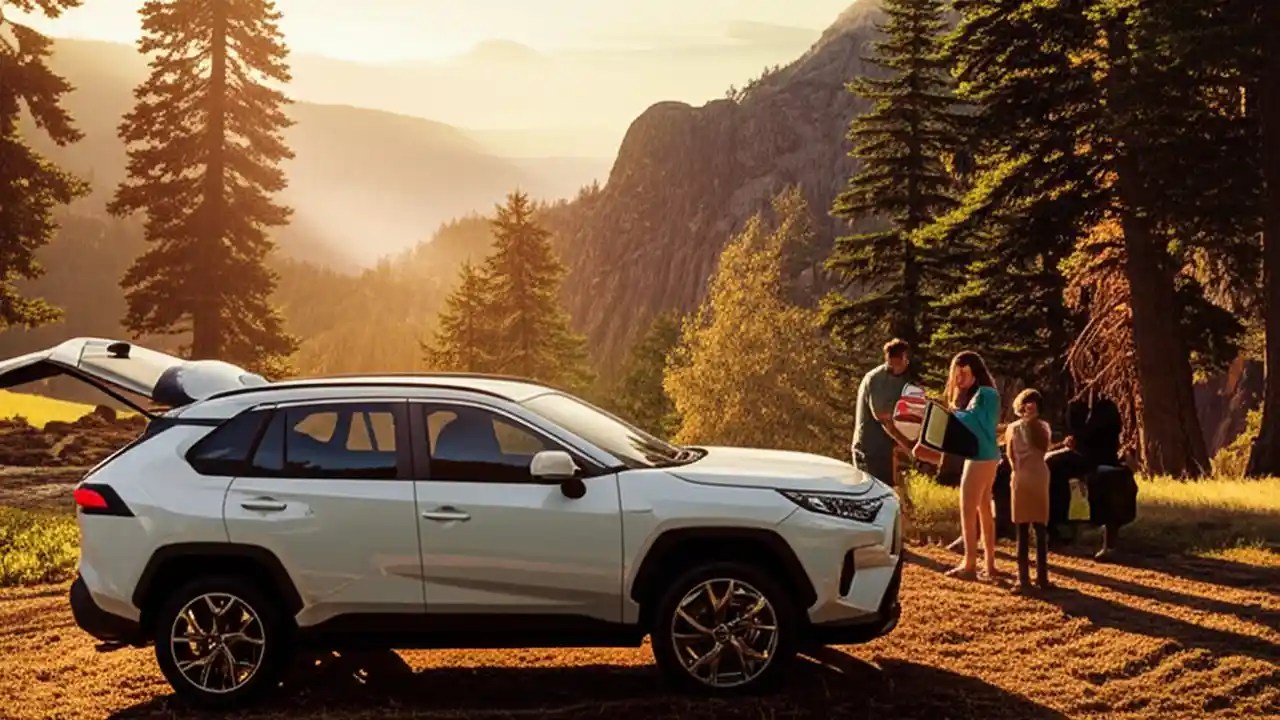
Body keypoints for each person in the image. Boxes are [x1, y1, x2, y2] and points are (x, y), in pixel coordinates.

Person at [942, 351, 1002, 581]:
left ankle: (969, 564)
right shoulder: (987, 393)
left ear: (973, 370)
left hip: (979, 456)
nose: (958, 379)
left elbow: (976, 423)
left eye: (962, 373)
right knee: (984, 508)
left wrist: (953, 413)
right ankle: (989, 563)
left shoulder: (984, 394)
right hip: (988, 455)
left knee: (968, 509)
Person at [1045, 390, 1124, 559]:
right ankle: (1055, 526)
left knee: (1058, 470)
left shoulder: (1106, 409)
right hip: (1082, 455)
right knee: (1051, 465)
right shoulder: (1077, 406)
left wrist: (1078, 441)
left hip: (1097, 457)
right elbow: (1074, 431)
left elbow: (1102, 436)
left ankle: (1061, 526)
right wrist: (1072, 440)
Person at [850, 339, 915, 490]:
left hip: (887, 452)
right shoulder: (876, 380)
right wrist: (907, 446)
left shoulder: (902, 379)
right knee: (872, 493)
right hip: (870, 451)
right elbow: (883, 418)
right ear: (901, 358)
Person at [1006, 389, 1052, 591]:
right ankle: (1041, 578)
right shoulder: (1044, 427)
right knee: (1038, 530)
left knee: (1023, 531)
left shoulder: (1014, 429)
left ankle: (1023, 579)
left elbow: (1010, 456)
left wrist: (1016, 471)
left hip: (1022, 477)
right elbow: (1044, 449)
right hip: (1037, 476)